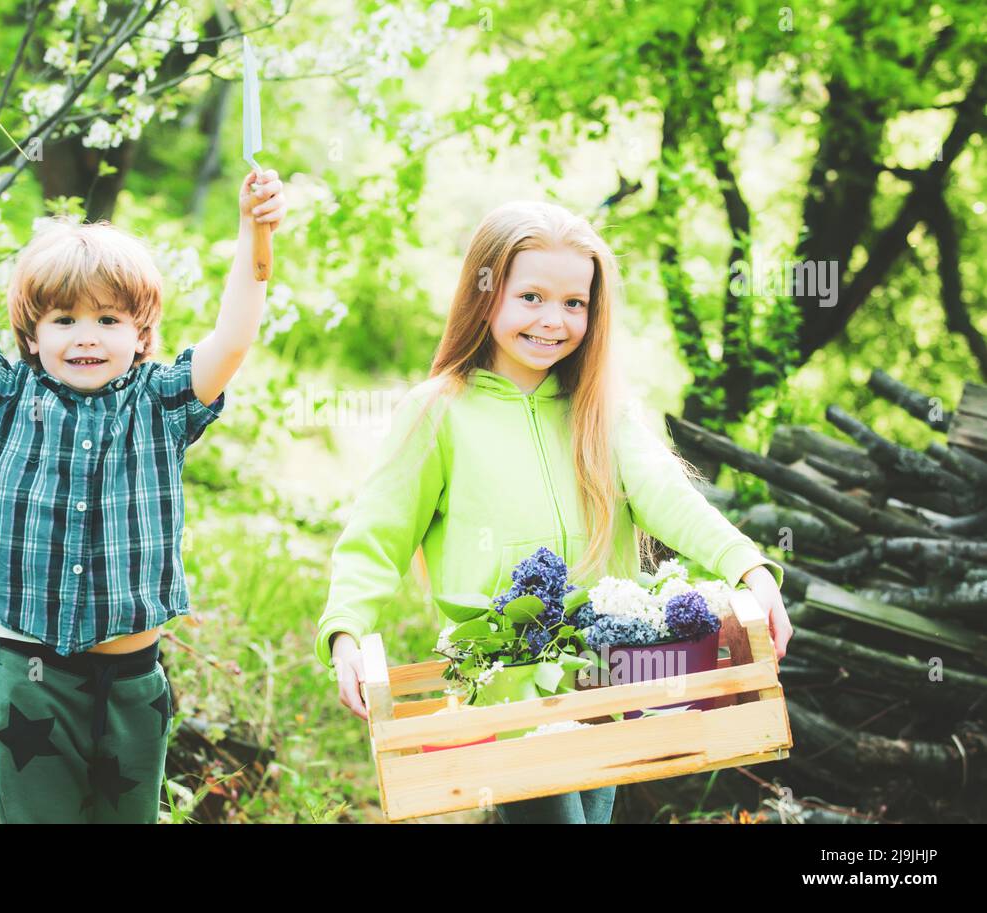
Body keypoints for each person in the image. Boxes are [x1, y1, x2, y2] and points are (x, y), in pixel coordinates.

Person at [314, 200, 790, 824]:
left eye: (574, 303)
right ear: (485, 295)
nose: (553, 321)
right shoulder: (438, 412)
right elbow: (377, 535)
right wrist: (346, 630)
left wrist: (747, 567)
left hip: (606, 671)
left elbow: (669, 497)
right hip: (505, 674)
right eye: (531, 296)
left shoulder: (603, 411)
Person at [0, 129, 286, 822]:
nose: (86, 335)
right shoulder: (8, 397)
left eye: (109, 319)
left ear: (142, 335)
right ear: (31, 336)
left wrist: (251, 233)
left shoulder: (163, 402)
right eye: (64, 319)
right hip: (31, 680)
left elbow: (234, 337)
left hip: (132, 682)